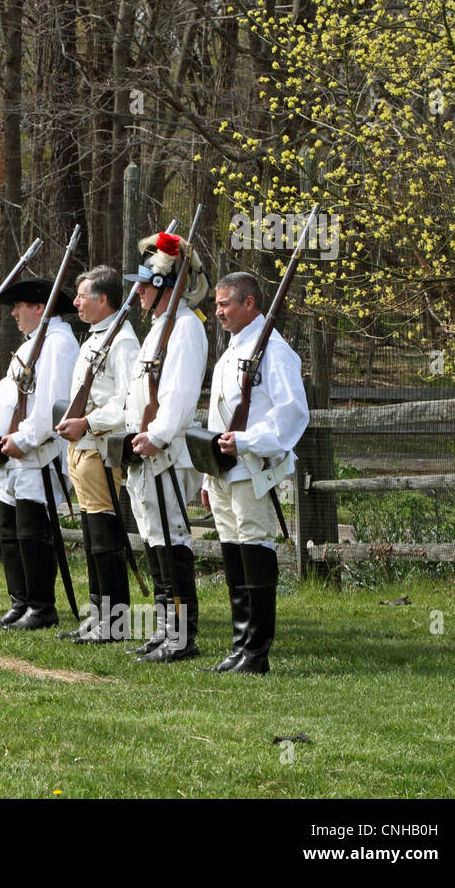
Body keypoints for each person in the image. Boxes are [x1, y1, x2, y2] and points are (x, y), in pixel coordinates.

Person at [200, 272, 308, 674]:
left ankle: (256, 652)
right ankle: (239, 645)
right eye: (217, 304)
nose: (219, 312)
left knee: (254, 548)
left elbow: (292, 415)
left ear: (249, 304)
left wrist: (246, 442)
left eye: (225, 304)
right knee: (232, 549)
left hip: (251, 467)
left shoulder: (274, 352)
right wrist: (210, 472)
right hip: (226, 470)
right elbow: (218, 414)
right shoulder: (232, 351)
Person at [122, 233, 209, 662]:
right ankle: (164, 630)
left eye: (143, 283)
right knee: (155, 538)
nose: (137, 291)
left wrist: (156, 435)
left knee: (173, 539)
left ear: (162, 286)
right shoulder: (160, 328)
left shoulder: (187, 328)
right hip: (146, 450)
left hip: (165, 452)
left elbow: (178, 394)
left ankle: (181, 637)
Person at [0, 278, 79, 631]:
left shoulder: (56, 344)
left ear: (40, 308)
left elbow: (51, 404)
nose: (13, 313)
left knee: (32, 532)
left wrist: (23, 440)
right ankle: (20, 601)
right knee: (11, 529)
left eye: (19, 306)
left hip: (37, 452)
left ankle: (41, 607)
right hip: (16, 449)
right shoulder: (34, 343)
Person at [55, 265, 141, 642]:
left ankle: (114, 623)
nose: (75, 303)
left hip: (100, 450)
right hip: (82, 449)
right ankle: (97, 617)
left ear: (103, 299)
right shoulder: (94, 339)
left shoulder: (122, 343)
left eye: (83, 296)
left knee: (105, 538)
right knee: (92, 537)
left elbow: (127, 403)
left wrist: (87, 422)